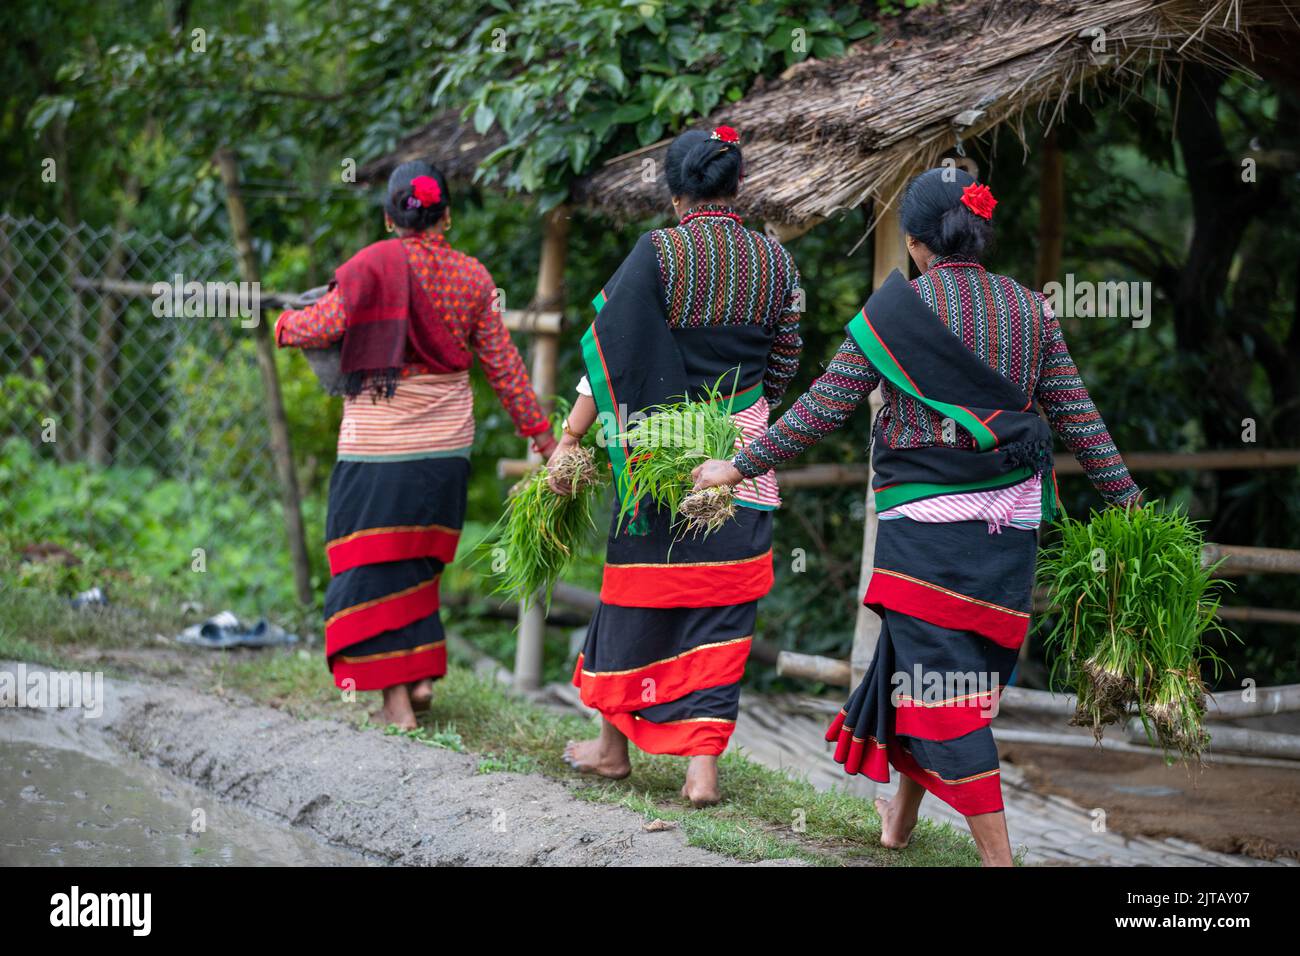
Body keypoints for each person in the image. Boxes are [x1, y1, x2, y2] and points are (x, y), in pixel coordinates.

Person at [692, 167, 1142, 863]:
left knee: (944, 696)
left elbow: (823, 407)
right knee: (940, 675)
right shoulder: (1031, 309)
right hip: (1010, 534)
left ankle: (998, 859)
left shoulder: (894, 314)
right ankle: (898, 823)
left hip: (925, 532)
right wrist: (1129, 503)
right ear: (979, 232)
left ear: (913, 241)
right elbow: (1078, 417)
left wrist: (739, 465)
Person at [548, 126, 803, 806]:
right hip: (741, 460)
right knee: (722, 610)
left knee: (636, 598)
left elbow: (612, 353)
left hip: (658, 455)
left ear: (674, 193)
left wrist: (570, 439)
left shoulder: (658, 252)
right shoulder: (776, 261)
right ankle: (701, 771)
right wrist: (748, 413)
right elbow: (785, 356)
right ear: (737, 186)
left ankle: (611, 750)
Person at [275, 160, 556, 730]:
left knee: (368, 565)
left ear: (389, 219)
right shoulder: (474, 279)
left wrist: (283, 324)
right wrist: (545, 438)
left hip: (377, 450)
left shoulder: (369, 268)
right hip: (445, 452)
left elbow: (320, 326)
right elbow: (504, 367)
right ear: (446, 216)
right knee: (416, 563)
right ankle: (420, 676)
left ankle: (397, 703)